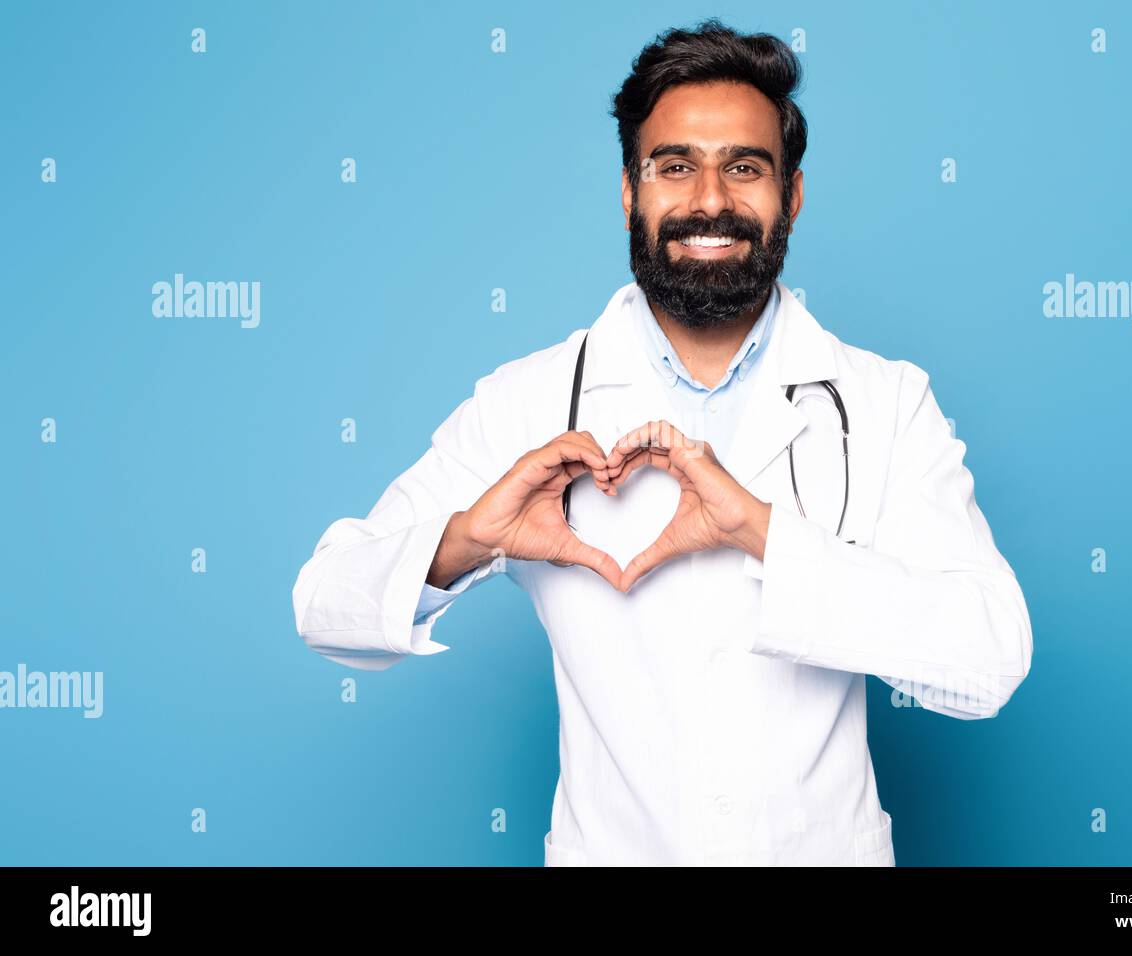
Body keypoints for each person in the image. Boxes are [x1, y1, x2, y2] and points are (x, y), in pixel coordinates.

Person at [291, 19, 1033, 866]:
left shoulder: (885, 403)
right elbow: (324, 606)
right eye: (675, 166)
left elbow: (988, 661)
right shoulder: (528, 402)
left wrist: (761, 532)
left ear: (792, 195)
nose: (709, 200)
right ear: (628, 191)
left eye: (744, 168)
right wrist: (465, 541)